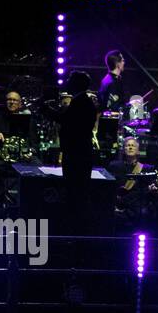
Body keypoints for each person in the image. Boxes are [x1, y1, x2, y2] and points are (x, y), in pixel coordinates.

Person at [57, 71, 98, 233]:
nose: (67, 82)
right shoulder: (83, 102)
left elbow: (67, 121)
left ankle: (75, 229)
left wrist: (48, 111)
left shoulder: (80, 102)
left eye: (70, 80)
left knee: (75, 191)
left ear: (76, 83)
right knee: (77, 191)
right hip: (79, 153)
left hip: (76, 154)